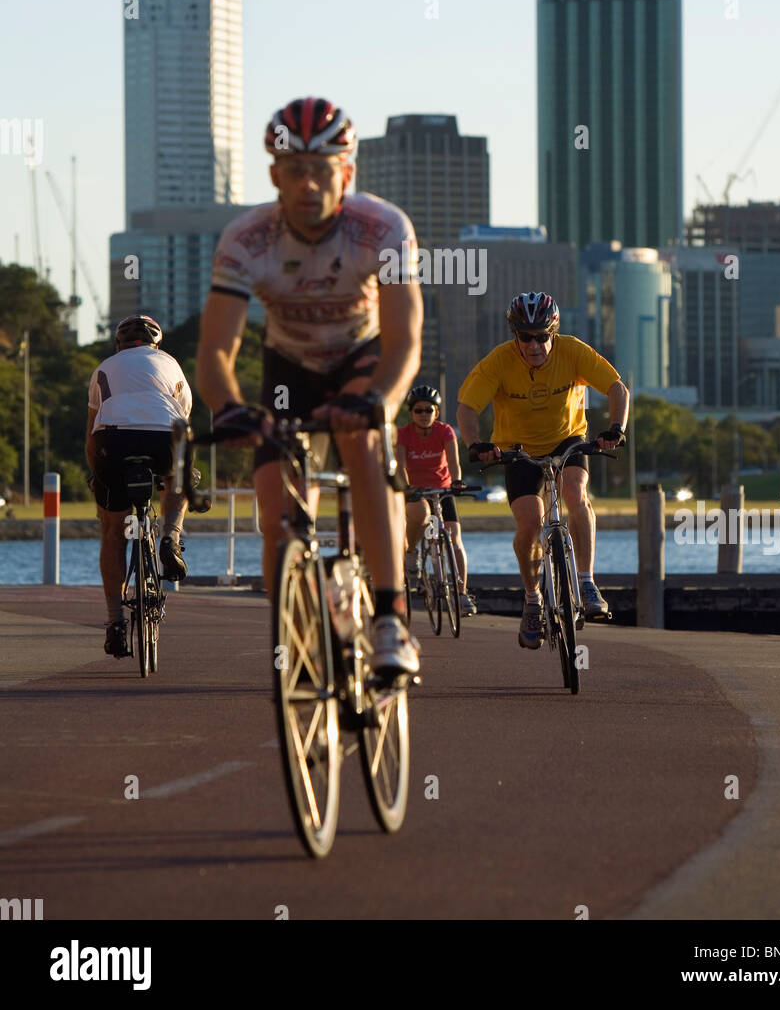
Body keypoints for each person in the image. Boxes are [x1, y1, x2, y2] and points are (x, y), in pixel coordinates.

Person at [195, 97, 424, 680]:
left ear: (346, 172)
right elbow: (216, 353)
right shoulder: (246, 239)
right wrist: (229, 409)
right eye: (294, 170)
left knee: (361, 444)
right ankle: (299, 645)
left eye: (321, 170)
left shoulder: (383, 227)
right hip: (289, 368)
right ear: (274, 175)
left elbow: (404, 342)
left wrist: (378, 401)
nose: (308, 184)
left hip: (362, 358)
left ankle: (391, 618)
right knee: (277, 514)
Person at [456, 291, 628, 648]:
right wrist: (475, 444)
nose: (534, 345)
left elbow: (617, 388)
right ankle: (533, 599)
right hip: (517, 450)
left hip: (568, 440)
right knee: (530, 524)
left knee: (575, 494)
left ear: (554, 332)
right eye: (525, 337)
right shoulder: (498, 361)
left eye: (542, 336)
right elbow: (467, 408)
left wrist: (616, 429)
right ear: (515, 336)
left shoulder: (573, 351)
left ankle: (586, 582)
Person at [86, 315, 193, 658]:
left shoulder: (104, 368)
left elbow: (91, 434)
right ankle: (170, 537)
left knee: (113, 531)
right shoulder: (170, 364)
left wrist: (97, 472)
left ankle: (115, 622)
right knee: (177, 477)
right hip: (164, 437)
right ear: (156, 344)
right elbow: (184, 423)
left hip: (113, 441)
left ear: (118, 345)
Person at [396, 384, 476, 617]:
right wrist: (407, 487)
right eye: (418, 410)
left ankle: (462, 594)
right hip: (416, 492)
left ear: (436, 412)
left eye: (428, 410)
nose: (424, 414)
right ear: (411, 413)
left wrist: (457, 481)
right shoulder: (403, 434)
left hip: (442, 490)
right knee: (420, 513)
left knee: (454, 538)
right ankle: (412, 552)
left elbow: (453, 462)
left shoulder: (445, 431)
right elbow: (400, 466)